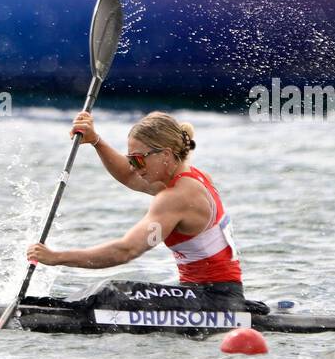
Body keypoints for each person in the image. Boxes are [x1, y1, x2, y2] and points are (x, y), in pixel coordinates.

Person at [27, 111, 261, 313]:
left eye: (138, 159)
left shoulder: (177, 197)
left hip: (213, 301)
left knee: (109, 293)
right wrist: (95, 140)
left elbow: (126, 251)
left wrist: (56, 257)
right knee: (107, 293)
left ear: (166, 155)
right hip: (210, 295)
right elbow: (129, 176)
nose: (134, 167)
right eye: (131, 159)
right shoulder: (189, 179)